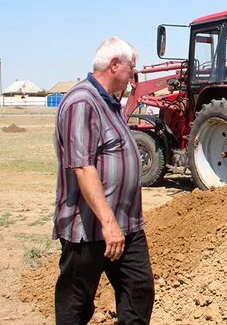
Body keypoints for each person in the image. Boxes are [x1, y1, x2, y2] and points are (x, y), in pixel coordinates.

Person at [52, 36, 154, 325]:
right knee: (77, 302)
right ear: (114, 66)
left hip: (127, 226)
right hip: (89, 227)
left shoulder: (110, 103)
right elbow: (82, 166)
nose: (134, 78)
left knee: (138, 291)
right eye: (131, 69)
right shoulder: (82, 102)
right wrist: (108, 223)